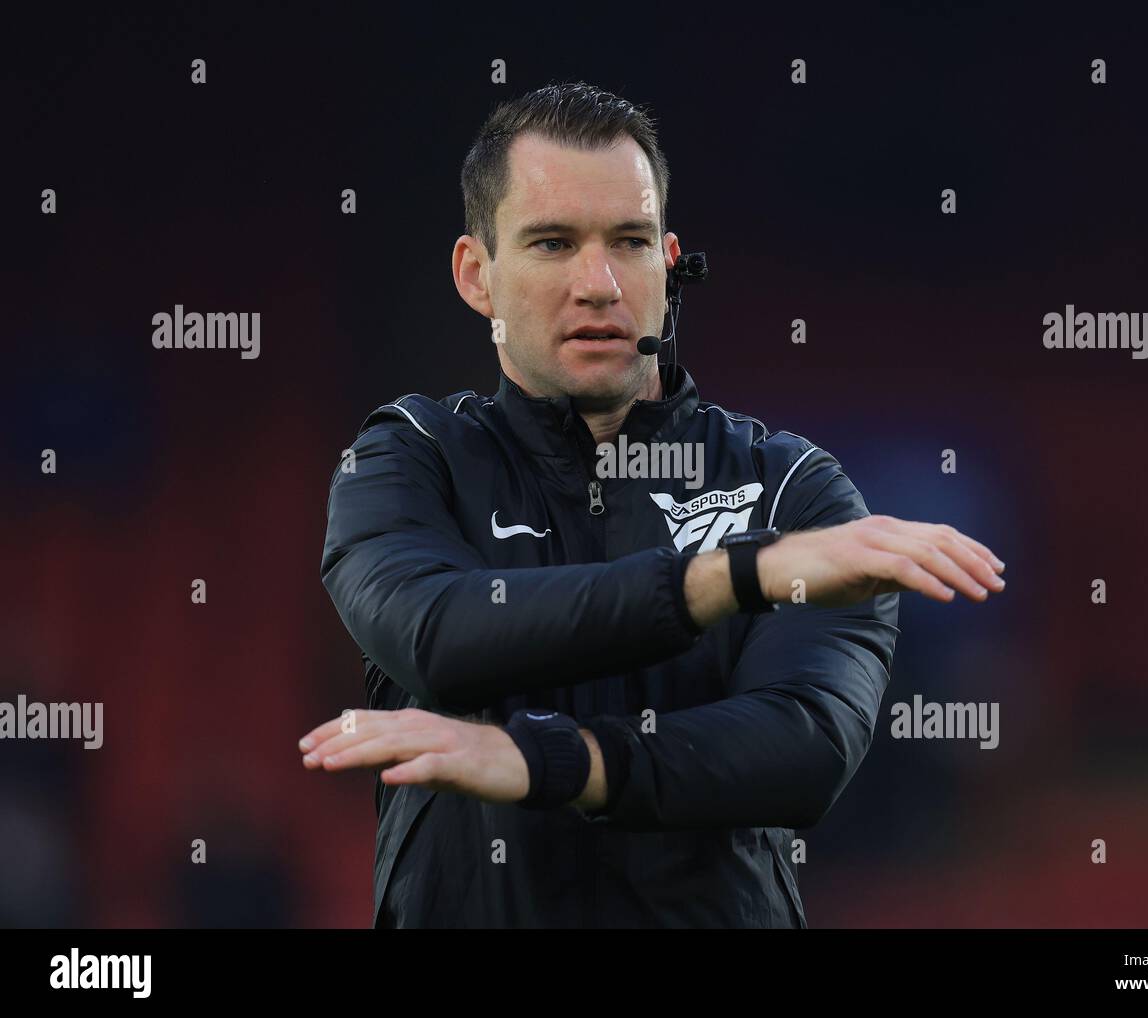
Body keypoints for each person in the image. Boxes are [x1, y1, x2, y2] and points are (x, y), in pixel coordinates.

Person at [298, 81, 1006, 928]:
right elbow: (439, 635)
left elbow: (802, 751)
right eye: (553, 243)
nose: (599, 283)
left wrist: (559, 764)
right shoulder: (411, 456)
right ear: (476, 275)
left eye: (629, 242)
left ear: (668, 265)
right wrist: (732, 577)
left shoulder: (792, 488)